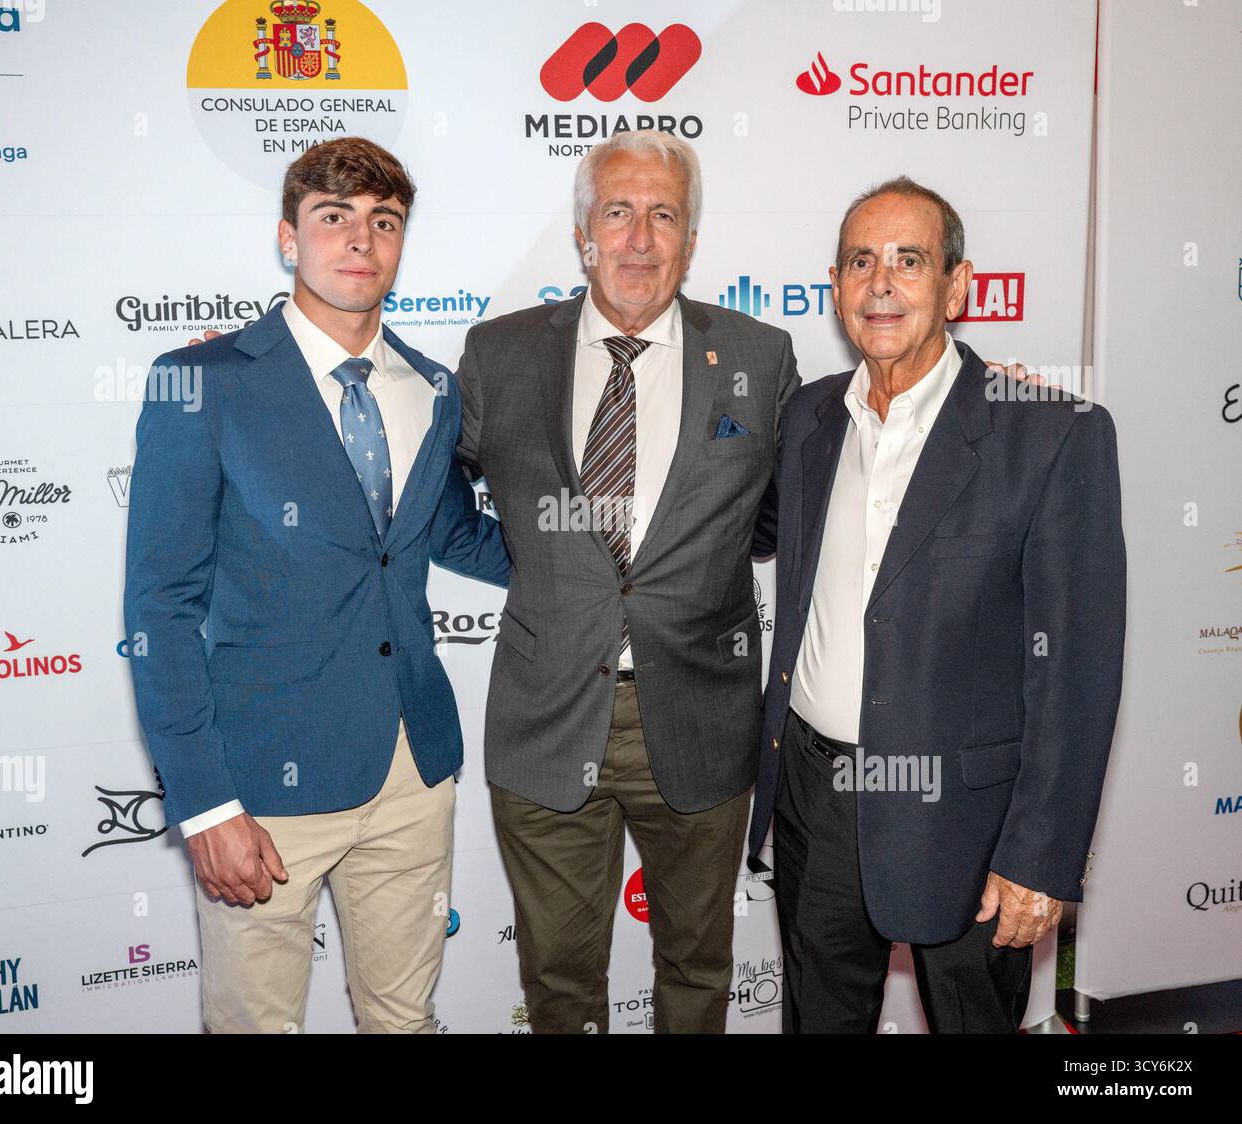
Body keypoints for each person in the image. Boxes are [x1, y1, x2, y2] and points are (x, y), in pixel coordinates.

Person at [123, 137, 509, 1033]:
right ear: (289, 240)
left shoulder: (432, 386)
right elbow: (160, 609)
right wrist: (205, 801)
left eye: (384, 222)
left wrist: (607, 561)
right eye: (333, 218)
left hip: (414, 764)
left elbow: (448, 530)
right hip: (261, 783)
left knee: (404, 1020)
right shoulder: (202, 383)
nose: (361, 241)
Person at [747, 176, 1126, 1033]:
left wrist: (1042, 861)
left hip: (969, 825)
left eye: (909, 261)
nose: (881, 283)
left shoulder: (1052, 434)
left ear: (958, 285)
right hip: (815, 799)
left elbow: (1078, 672)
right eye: (860, 262)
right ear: (836, 285)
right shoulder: (808, 419)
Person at [455, 130, 801, 1033]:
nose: (639, 238)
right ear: (583, 234)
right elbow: (429, 487)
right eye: (618, 213)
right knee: (561, 980)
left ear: (691, 240)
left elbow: (782, 508)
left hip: (702, 714)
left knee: (697, 967)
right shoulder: (500, 353)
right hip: (545, 713)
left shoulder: (762, 359)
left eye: (663, 216)